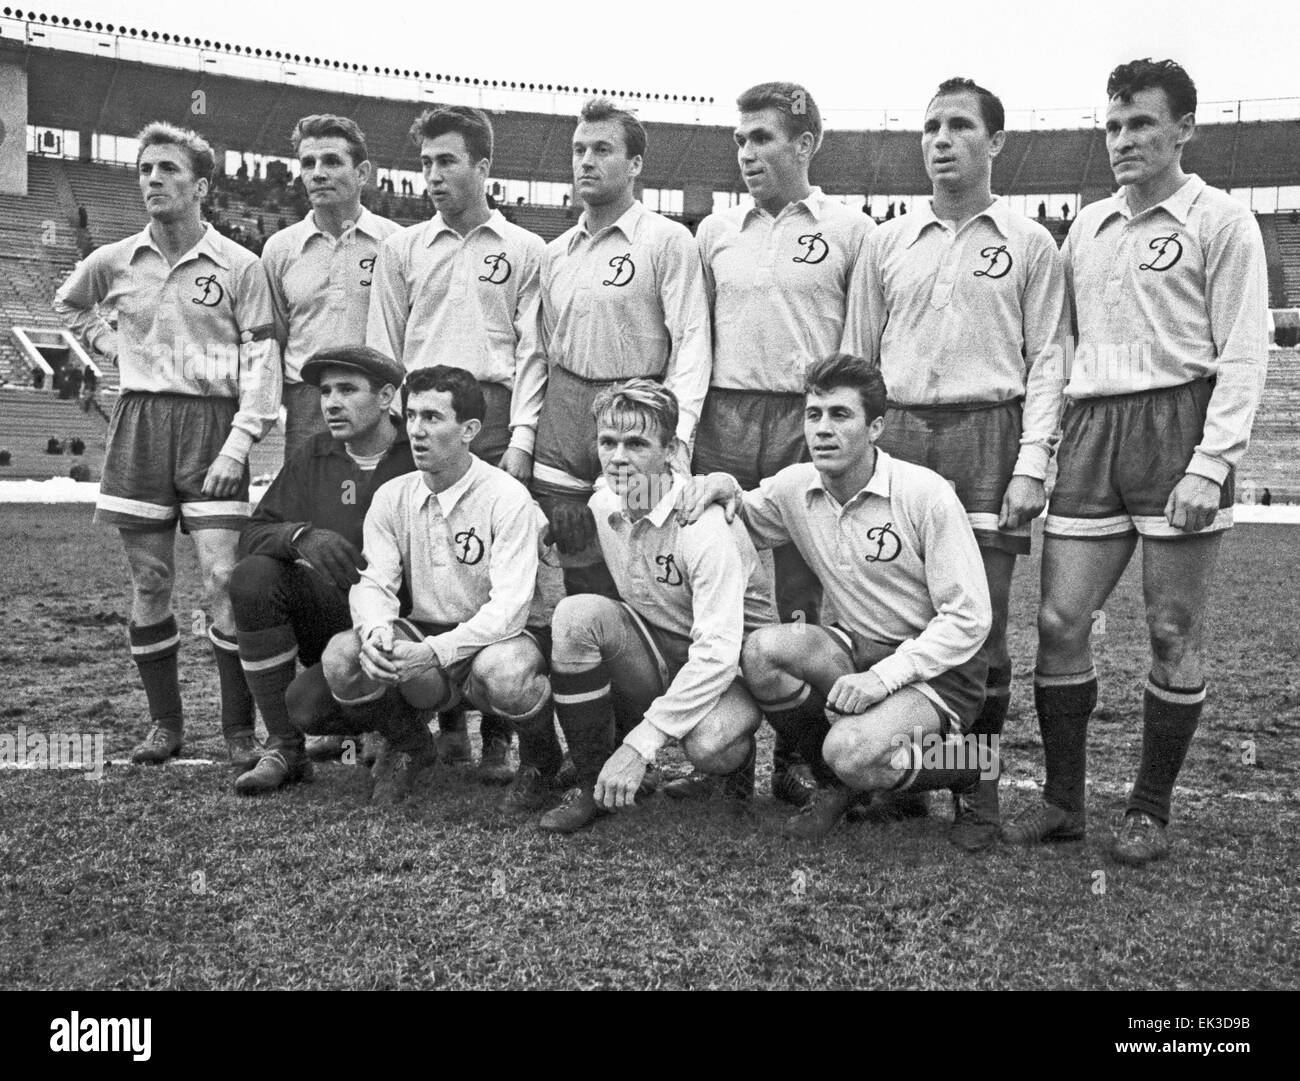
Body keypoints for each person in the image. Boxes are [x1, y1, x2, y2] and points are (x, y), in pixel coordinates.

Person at [1003, 59, 1269, 866]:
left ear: (1184, 129)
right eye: (1114, 126)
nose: (1122, 140)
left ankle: (1149, 809)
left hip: (1177, 426)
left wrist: (1210, 462)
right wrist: (1045, 447)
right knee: (1059, 622)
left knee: (1170, 626)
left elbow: (1244, 353)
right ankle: (1063, 803)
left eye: (1141, 124)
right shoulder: (1085, 227)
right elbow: (1060, 347)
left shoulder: (1221, 221)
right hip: (1093, 429)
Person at [842, 77, 1068, 850]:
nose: (941, 140)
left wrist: (1031, 462)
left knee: (983, 629)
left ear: (995, 141)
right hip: (900, 435)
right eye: (932, 126)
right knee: (896, 620)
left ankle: (978, 786)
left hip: (986, 438)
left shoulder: (1030, 243)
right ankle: (905, 780)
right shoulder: (887, 241)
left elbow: (1048, 361)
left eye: (960, 126)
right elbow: (859, 358)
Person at [680, 355, 992, 841]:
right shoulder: (795, 486)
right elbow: (735, 517)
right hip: (857, 646)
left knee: (850, 751)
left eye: (841, 415)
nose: (823, 429)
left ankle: (973, 767)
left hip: (938, 669)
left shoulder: (924, 493)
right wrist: (722, 486)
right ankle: (835, 786)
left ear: (876, 428)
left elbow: (969, 618)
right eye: (814, 415)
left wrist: (883, 678)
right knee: (762, 652)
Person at [52, 121, 282, 769]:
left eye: (168, 169)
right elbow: (69, 305)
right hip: (141, 425)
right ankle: (165, 725)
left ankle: (237, 729)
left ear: (201, 186)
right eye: (145, 169)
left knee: (223, 580)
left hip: (213, 427)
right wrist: (110, 346)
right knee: (151, 579)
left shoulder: (240, 266)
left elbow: (262, 362)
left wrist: (240, 443)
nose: (152, 179)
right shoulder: (115, 260)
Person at [682, 81, 874, 808]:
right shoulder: (714, 232)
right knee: (719, 585)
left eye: (762, 138)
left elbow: (858, 345)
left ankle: (797, 755)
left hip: (805, 418)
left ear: (804, 144)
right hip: (727, 415)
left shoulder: (850, 229)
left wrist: (838, 427)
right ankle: (725, 755)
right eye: (740, 140)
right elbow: (696, 338)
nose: (747, 152)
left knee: (800, 595)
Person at [366, 105, 548, 778]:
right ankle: (442, 728)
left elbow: (532, 351)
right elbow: (384, 347)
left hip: (490, 413)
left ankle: (497, 734)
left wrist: (521, 434)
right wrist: (398, 424)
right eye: (425, 163)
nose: (432, 175)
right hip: (422, 415)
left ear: (483, 166)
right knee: (432, 564)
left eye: (446, 161)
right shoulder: (402, 249)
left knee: (490, 566)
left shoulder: (525, 249)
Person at [314, 365, 561, 807]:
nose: (416, 430)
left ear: (469, 430)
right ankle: (410, 745)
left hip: (501, 640)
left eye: (432, 417)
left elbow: (509, 609)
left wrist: (432, 652)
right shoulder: (392, 495)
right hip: (427, 635)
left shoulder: (507, 497)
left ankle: (541, 762)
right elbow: (374, 582)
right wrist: (376, 632)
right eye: (410, 416)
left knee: (504, 673)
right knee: (342, 657)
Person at [541, 380, 776, 834]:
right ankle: (593, 785)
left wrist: (639, 746)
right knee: (575, 616)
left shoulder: (702, 525)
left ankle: (733, 775)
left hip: (731, 669)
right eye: (608, 442)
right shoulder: (603, 503)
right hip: (661, 650)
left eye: (636, 444)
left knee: (710, 744)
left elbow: (718, 653)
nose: (618, 457)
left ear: (670, 450)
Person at [533, 97, 711, 599]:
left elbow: (691, 342)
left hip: (636, 414)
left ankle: (649, 642)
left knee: (642, 554)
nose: (586, 161)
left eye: (602, 149)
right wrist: (526, 436)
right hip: (565, 419)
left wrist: (678, 436)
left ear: (634, 164)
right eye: (579, 150)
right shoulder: (554, 253)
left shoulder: (667, 240)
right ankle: (580, 643)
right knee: (571, 559)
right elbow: (542, 350)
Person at [227, 346, 414, 793]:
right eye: (325, 391)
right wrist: (300, 536)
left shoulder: (419, 450)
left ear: (386, 396)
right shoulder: (314, 453)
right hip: (336, 622)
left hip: (410, 626)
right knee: (253, 578)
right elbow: (253, 534)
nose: (331, 402)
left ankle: (403, 731)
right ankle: (285, 748)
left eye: (347, 390)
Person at [262, 117, 400, 469]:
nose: (318, 173)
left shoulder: (396, 243)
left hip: (378, 397)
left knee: (379, 498)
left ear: (362, 172)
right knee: (309, 498)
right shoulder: (279, 249)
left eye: (332, 162)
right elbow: (275, 336)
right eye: (308, 163)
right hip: (309, 400)